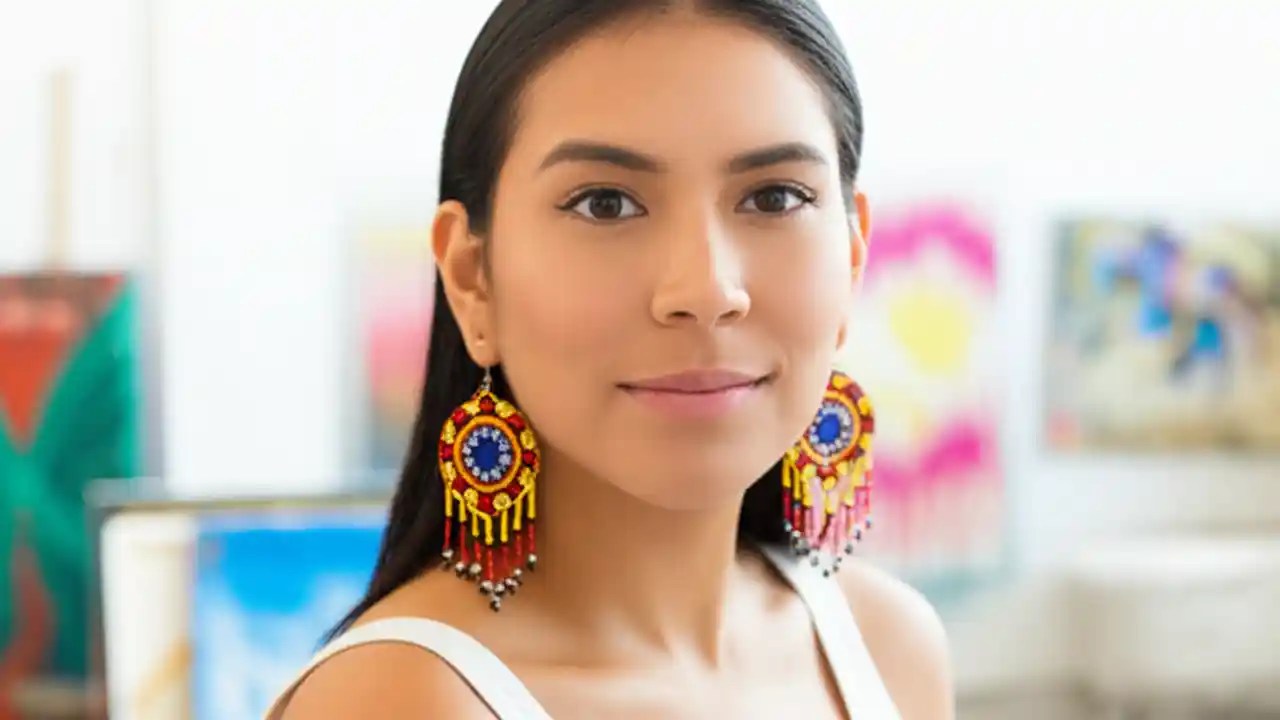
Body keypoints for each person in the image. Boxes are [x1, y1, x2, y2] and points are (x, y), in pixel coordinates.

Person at [270, 1, 953, 717]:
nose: (706, 290)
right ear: (472, 278)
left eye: (775, 197)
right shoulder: (403, 702)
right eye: (605, 204)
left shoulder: (887, 648)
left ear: (851, 258)